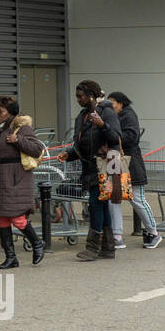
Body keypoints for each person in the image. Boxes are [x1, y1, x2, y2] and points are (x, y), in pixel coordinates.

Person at [0, 95, 46, 269]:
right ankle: (11, 257)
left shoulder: (21, 128)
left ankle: (38, 244)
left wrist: (18, 140)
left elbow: (37, 149)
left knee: (17, 218)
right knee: (2, 219)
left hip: (16, 179)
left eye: (0, 111)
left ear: (10, 112)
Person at [64, 79, 123, 261]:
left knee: (96, 203)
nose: (78, 100)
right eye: (76, 96)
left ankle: (92, 247)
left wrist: (101, 125)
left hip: (105, 166)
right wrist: (69, 154)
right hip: (89, 166)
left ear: (91, 95)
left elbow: (116, 138)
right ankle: (108, 247)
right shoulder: (82, 116)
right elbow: (81, 143)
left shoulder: (106, 112)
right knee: (102, 204)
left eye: (80, 96)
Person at [107, 92, 162, 250]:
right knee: (114, 197)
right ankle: (117, 236)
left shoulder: (129, 116)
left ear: (121, 103)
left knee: (136, 198)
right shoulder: (113, 116)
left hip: (131, 163)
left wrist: (113, 136)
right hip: (116, 160)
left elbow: (132, 137)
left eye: (113, 103)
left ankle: (153, 232)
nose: (111, 106)